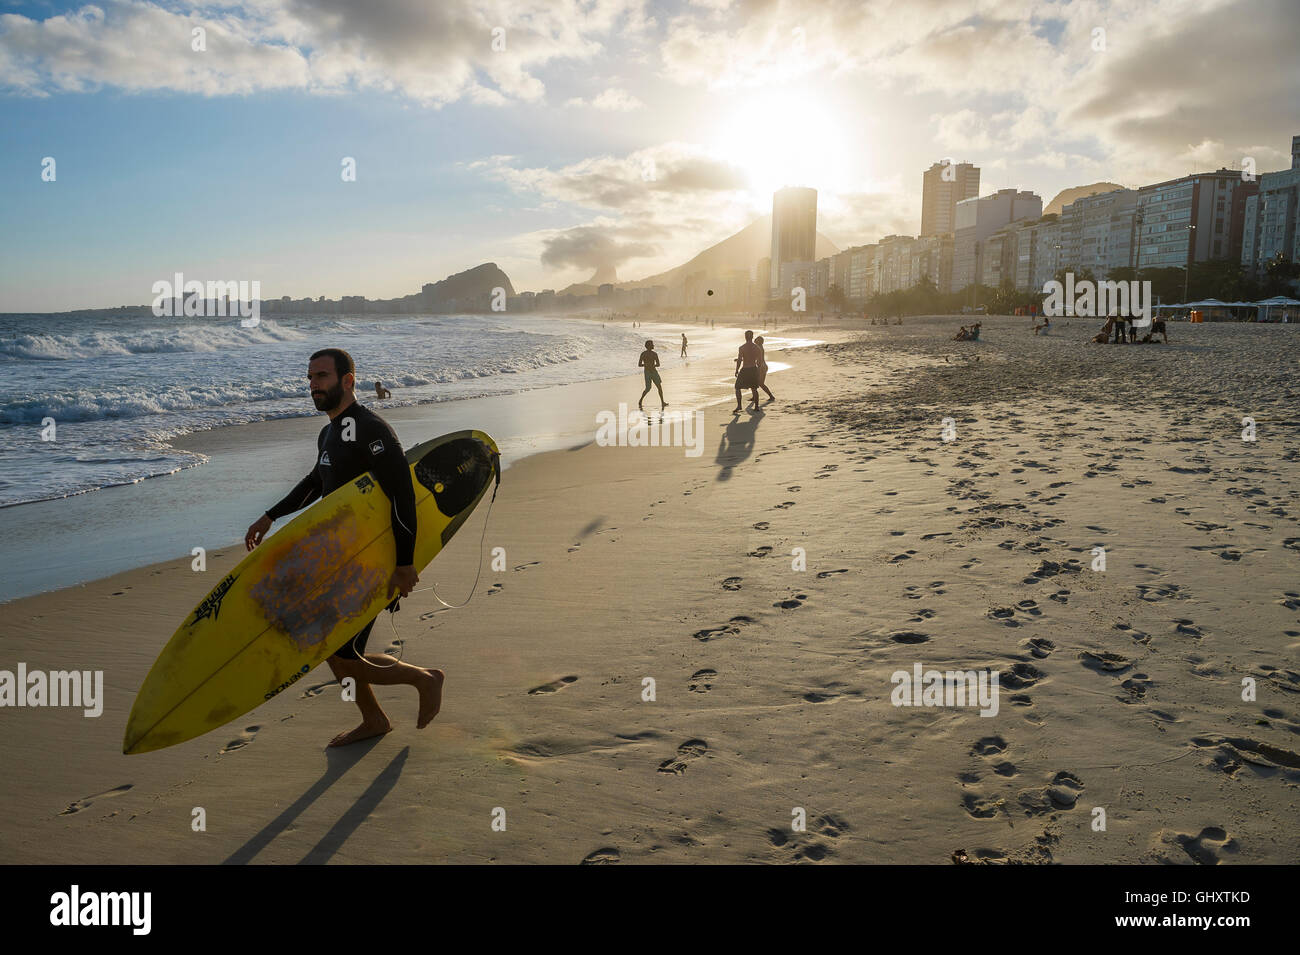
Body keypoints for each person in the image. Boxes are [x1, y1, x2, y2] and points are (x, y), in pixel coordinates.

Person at [244, 348, 443, 748]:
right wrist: (271, 516)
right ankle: (374, 718)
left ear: (348, 381)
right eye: (310, 378)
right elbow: (318, 482)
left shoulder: (372, 429)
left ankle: (423, 680)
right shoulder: (330, 431)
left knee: (341, 653)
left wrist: (404, 564)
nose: (313, 385)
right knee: (341, 652)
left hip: (374, 559)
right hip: (344, 560)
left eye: (321, 376)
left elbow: (402, 496)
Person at [734, 330, 762, 412]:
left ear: (745, 337)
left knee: (737, 387)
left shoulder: (742, 348)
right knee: (754, 389)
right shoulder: (757, 348)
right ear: (752, 337)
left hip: (745, 369)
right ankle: (756, 407)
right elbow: (759, 362)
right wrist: (758, 370)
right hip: (753, 369)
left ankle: (739, 406)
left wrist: (736, 370)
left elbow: (739, 360)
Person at [638, 339, 666, 410]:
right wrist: (647, 365)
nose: (653, 345)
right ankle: (641, 400)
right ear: (649, 346)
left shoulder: (654, 354)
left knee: (659, 387)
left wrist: (649, 365)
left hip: (653, 371)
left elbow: (658, 364)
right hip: (648, 372)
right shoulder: (644, 354)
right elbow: (639, 364)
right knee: (648, 388)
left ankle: (662, 402)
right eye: (652, 344)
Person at [753, 335, 776, 401]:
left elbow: (755, 357)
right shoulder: (760, 347)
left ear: (758, 341)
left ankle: (771, 396)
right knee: (755, 382)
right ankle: (754, 396)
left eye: (756, 340)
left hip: (761, 367)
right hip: (762, 366)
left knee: (760, 383)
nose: (754, 341)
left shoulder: (758, 348)